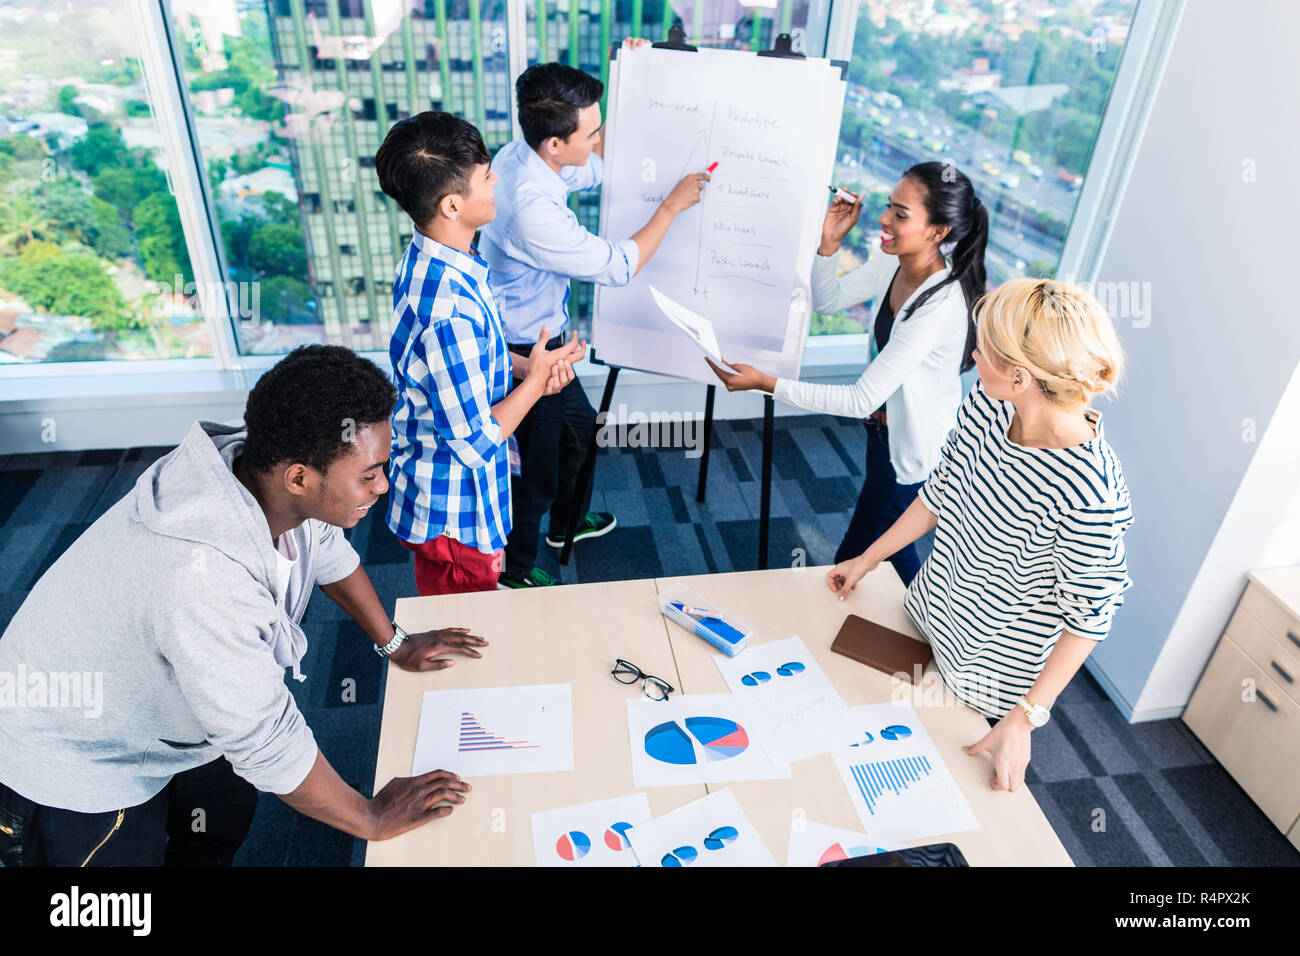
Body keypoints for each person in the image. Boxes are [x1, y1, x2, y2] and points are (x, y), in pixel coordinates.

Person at [0, 345, 487, 866]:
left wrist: (394, 641)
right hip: (71, 755)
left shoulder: (266, 460)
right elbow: (265, 738)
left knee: (222, 817)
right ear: (299, 479)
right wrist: (370, 817)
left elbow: (323, 548)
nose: (383, 485)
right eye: (369, 474)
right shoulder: (203, 581)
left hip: (167, 703)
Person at [828, 278, 1133, 793]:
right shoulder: (989, 406)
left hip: (984, 683)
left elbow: (1089, 619)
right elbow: (939, 492)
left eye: (985, 348)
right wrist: (870, 557)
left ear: (1021, 376)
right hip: (923, 621)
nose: (973, 353)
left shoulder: (1090, 492)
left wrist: (1026, 717)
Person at [480, 40, 710, 588]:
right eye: (593, 133)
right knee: (533, 470)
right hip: (523, 350)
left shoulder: (527, 155)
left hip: (544, 334)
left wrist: (636, 70)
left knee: (580, 429)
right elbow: (618, 264)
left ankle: (565, 527)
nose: (602, 139)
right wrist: (671, 207)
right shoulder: (531, 210)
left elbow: (591, 172)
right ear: (557, 142)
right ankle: (514, 571)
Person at [708, 162, 988, 586]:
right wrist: (828, 245)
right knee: (891, 551)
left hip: (915, 453)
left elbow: (859, 398)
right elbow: (829, 301)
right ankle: (935, 622)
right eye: (889, 207)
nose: (883, 219)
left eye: (901, 213)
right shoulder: (892, 262)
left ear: (938, 232)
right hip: (881, 438)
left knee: (856, 555)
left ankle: (939, 628)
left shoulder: (939, 304)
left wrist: (765, 383)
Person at [376, 111, 583, 596]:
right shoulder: (449, 312)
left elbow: (470, 360)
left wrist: (524, 366)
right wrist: (534, 385)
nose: (498, 185)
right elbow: (474, 443)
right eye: (487, 177)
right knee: (466, 634)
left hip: (455, 495)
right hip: (455, 516)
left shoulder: (443, 258)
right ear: (452, 204)